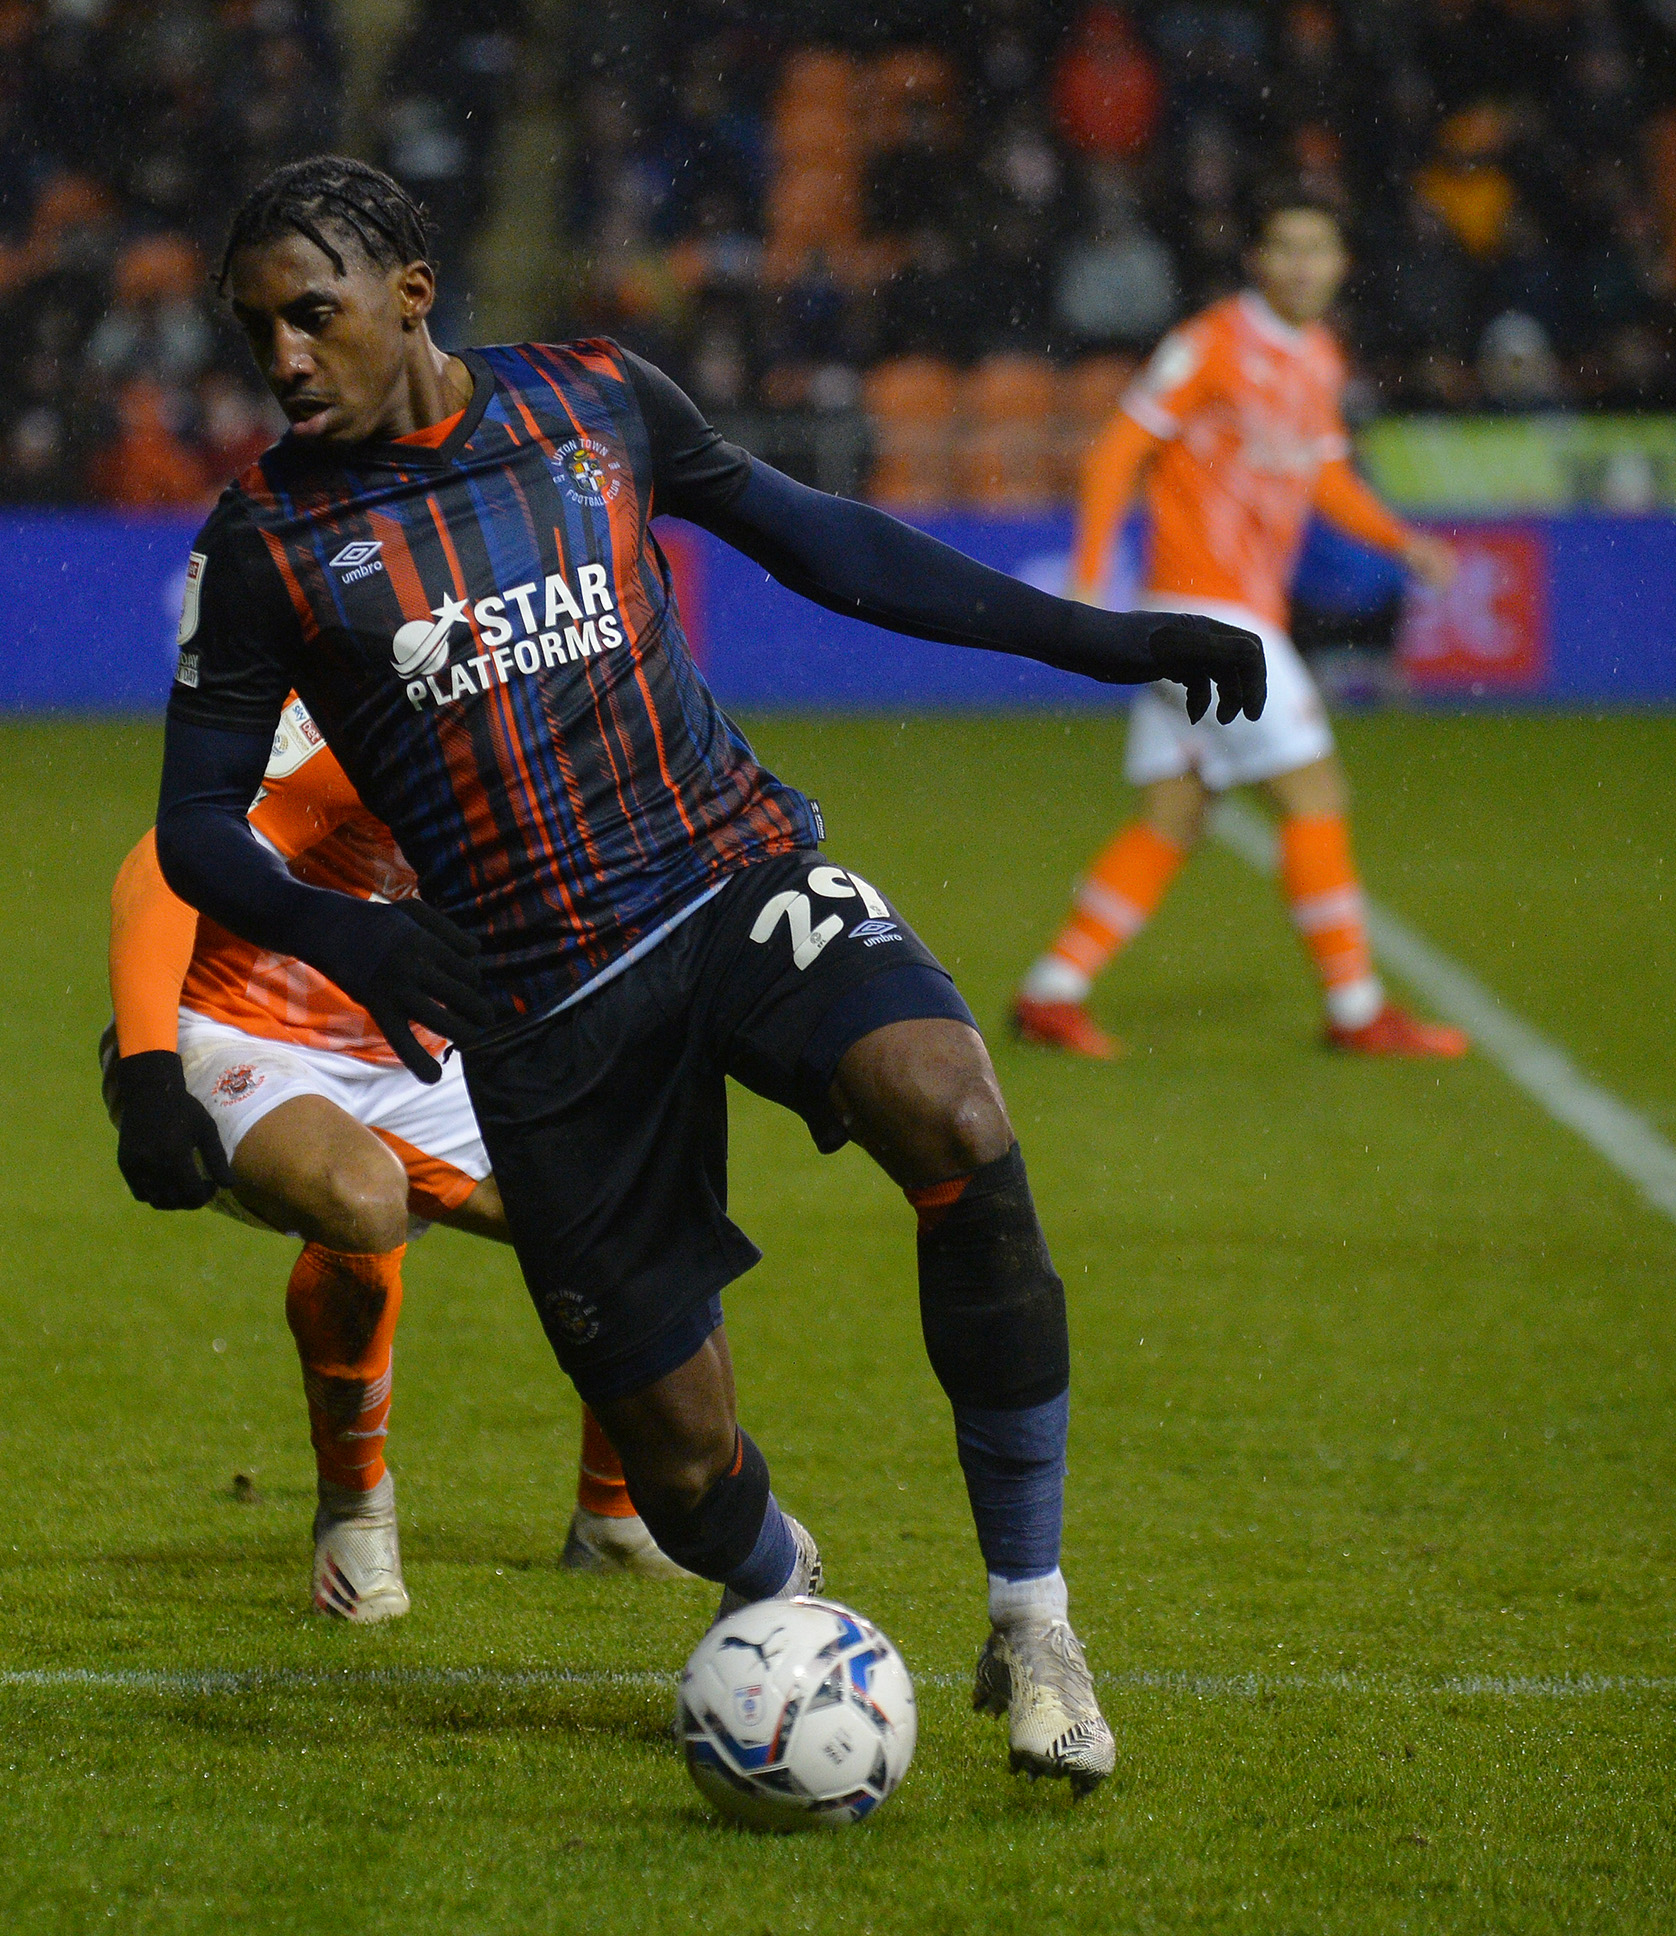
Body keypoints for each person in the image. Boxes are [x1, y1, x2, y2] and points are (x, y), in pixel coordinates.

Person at [152, 157, 1269, 1797]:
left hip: (727, 869)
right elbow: (191, 829)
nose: (285, 359)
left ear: (410, 291)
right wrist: (357, 933)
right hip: (540, 1006)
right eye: (257, 334)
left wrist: (1105, 638)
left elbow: (824, 542)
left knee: (950, 1107)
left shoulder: (596, 400)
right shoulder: (269, 540)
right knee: (679, 1468)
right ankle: (774, 1595)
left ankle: (1033, 1618)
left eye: (311, 315)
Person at [106, 692, 687, 1620]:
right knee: (363, 1196)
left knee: (643, 1198)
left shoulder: (576, 726)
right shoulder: (367, 712)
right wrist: (147, 1076)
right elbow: (166, 866)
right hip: (235, 1031)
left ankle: (617, 1519)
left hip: (417, 1044)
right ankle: (354, 1510)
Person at [1014, 190, 1469, 1060]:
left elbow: (1324, 475)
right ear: (1258, 260)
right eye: (1286, 247)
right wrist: (1086, 576)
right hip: (1205, 606)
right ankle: (1356, 1009)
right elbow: (1119, 450)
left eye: (1319, 250)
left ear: (1340, 267)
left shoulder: (1319, 356)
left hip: (1229, 609)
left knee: (1176, 810)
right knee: (1313, 791)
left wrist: (1400, 539)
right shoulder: (1211, 342)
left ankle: (1052, 992)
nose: (1303, 265)